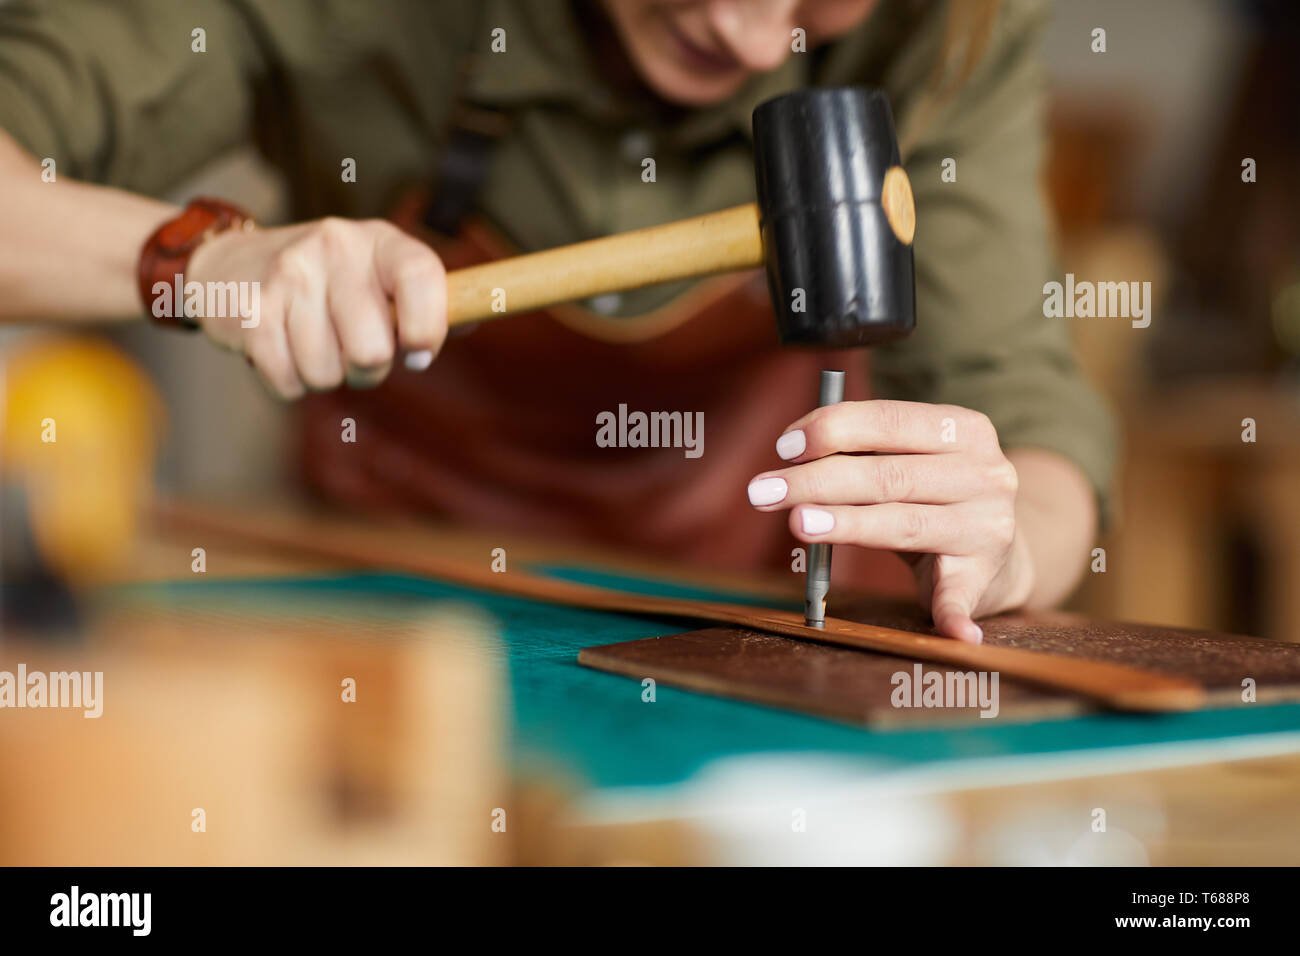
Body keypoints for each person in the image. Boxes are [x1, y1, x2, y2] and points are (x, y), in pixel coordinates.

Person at [0, 0, 1115, 643]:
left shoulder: (949, 25)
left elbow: (1036, 430)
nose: (741, 28)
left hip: (752, 644)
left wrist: (1006, 540)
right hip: (388, 616)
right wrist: (203, 261)